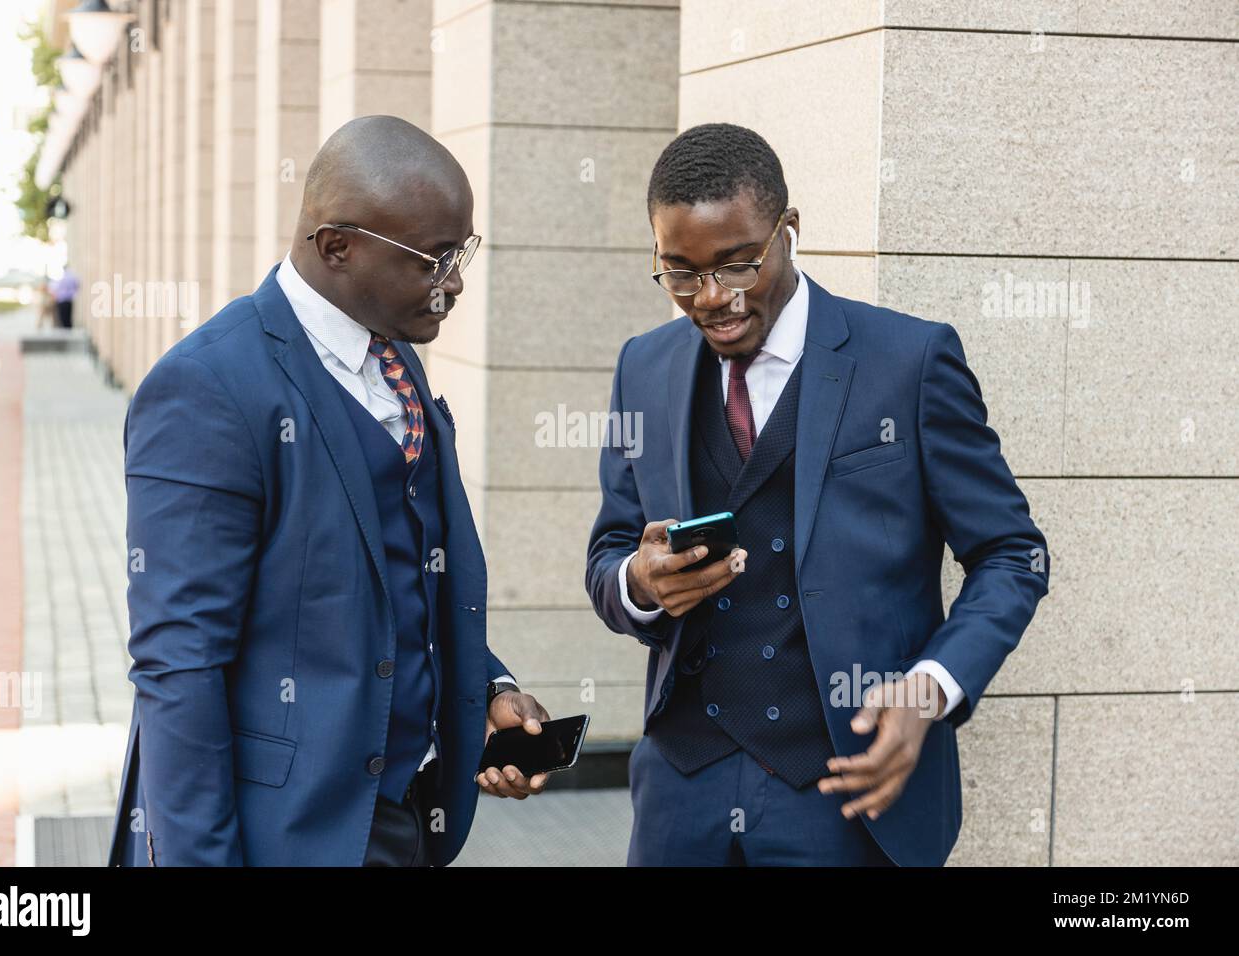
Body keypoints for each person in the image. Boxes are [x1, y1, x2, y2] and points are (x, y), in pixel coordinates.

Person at [585, 123, 1049, 866]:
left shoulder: (910, 360)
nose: (712, 298)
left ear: (788, 232)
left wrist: (927, 690)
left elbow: (1012, 556)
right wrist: (639, 584)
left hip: (843, 793)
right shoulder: (644, 366)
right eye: (680, 273)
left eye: (737, 265)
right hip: (680, 794)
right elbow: (610, 551)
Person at [108, 116, 551, 868]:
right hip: (283, 831)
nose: (455, 282)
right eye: (433, 259)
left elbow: (397, 575)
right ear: (337, 246)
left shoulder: (392, 358)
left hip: (403, 817)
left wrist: (486, 688)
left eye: (461, 252)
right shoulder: (208, 387)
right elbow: (179, 667)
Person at [51, 264, 78, 328]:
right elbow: (77, 286)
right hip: (69, 300)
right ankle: (69, 331)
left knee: (63, 318)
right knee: (68, 318)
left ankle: (66, 332)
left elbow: (55, 288)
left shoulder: (61, 278)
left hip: (62, 300)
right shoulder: (72, 277)